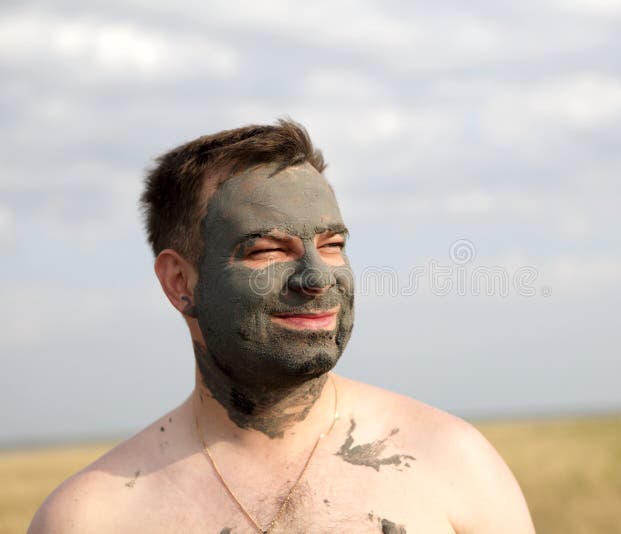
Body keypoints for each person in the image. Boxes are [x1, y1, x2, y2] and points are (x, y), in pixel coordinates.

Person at [29, 120, 535, 534]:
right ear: (180, 281)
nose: (318, 277)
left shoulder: (451, 464)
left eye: (333, 245)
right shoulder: (92, 517)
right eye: (267, 250)